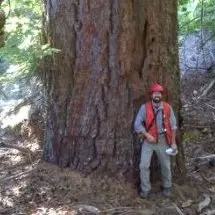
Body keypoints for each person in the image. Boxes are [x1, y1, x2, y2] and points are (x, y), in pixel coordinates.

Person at [134, 83, 178, 198]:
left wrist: (173, 143)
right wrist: (146, 135)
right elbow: (137, 124)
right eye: (155, 93)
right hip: (148, 141)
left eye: (159, 93)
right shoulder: (145, 107)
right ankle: (145, 189)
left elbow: (173, 126)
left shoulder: (168, 108)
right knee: (143, 165)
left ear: (161, 95)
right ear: (151, 95)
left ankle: (167, 186)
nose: (157, 95)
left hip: (163, 140)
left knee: (166, 165)